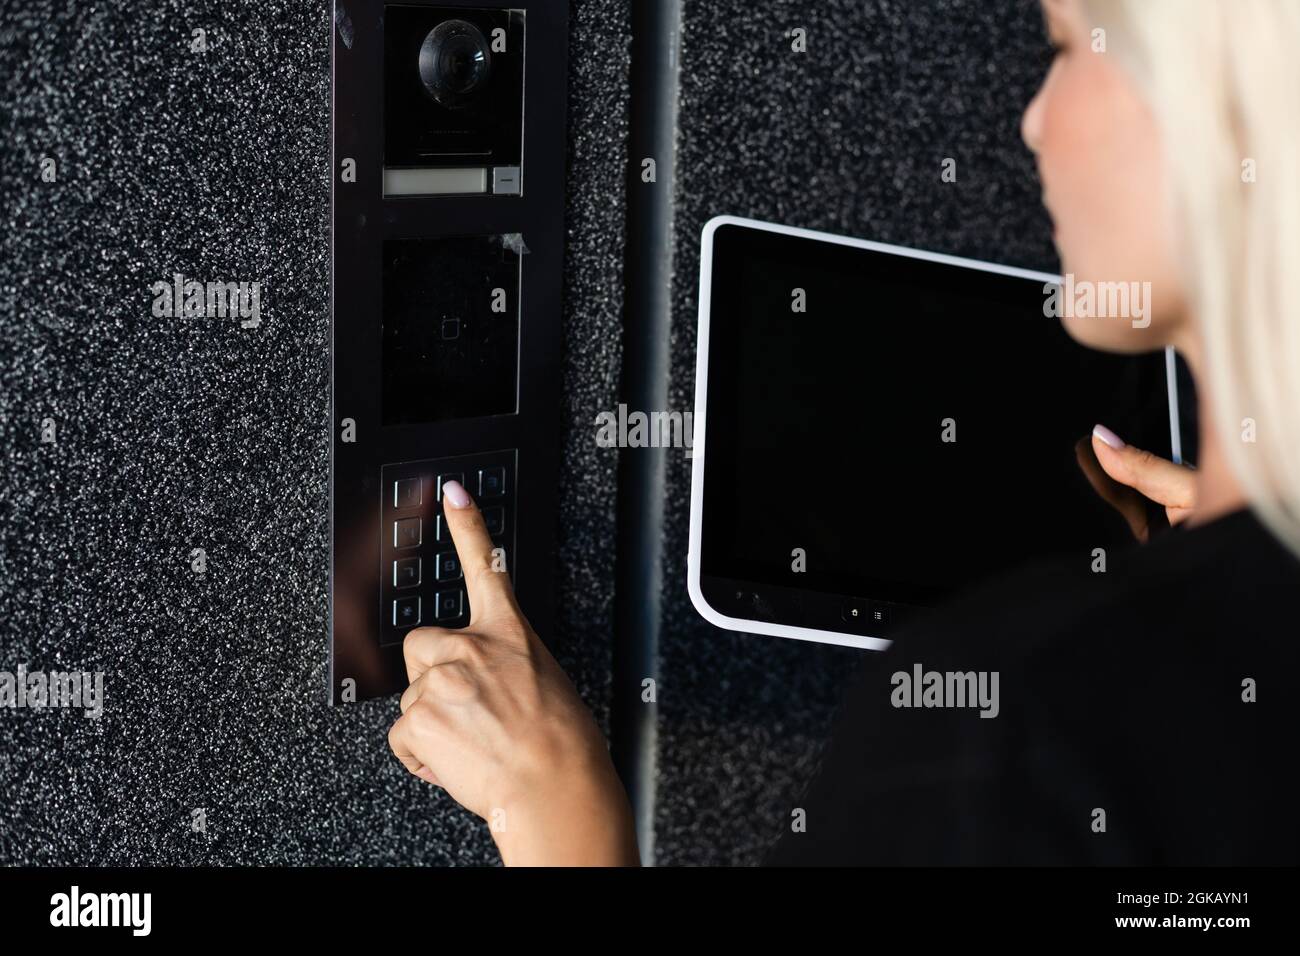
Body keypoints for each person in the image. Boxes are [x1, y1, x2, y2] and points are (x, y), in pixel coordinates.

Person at [386, 0, 1300, 865]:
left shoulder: (1018, 721)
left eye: (1064, 49)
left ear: (1219, 99)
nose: (1033, 121)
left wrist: (549, 800)